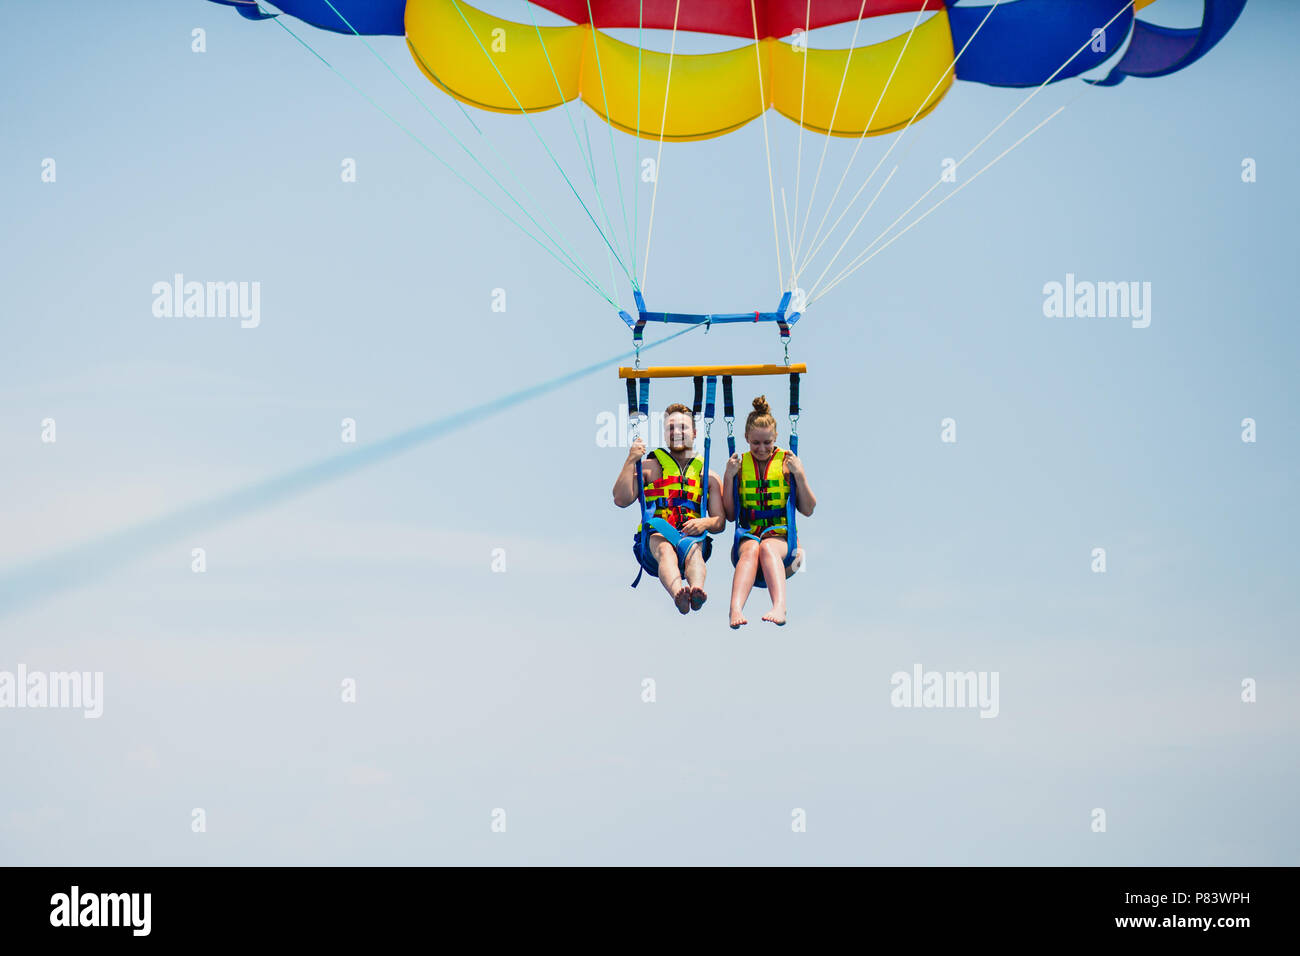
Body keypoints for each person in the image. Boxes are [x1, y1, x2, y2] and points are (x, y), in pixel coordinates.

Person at [613, 403, 725, 614]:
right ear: (665, 435)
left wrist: (705, 522)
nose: (676, 432)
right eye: (670, 428)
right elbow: (620, 498)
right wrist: (631, 460)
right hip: (656, 535)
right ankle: (677, 593)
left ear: (694, 432)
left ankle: (697, 589)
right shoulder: (648, 467)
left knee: (694, 552)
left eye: (682, 427)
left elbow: (720, 522)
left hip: (691, 536)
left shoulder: (708, 475)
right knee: (665, 549)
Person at [723, 396, 816, 627]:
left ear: (775, 438)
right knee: (753, 548)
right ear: (746, 439)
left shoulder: (787, 461)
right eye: (756, 443)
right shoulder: (740, 465)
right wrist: (728, 476)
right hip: (749, 535)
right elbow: (731, 514)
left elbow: (809, 509)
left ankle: (779, 606)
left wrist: (800, 475)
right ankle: (735, 608)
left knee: (766, 547)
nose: (762, 449)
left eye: (768, 443)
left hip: (785, 544)